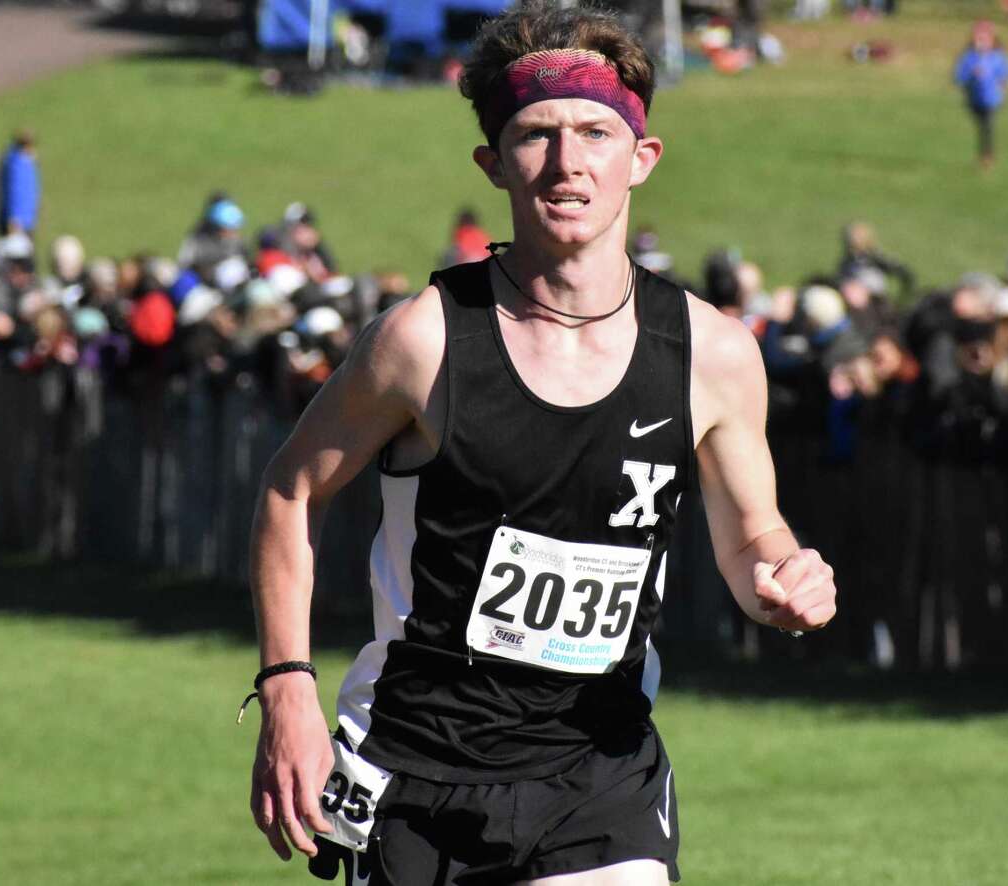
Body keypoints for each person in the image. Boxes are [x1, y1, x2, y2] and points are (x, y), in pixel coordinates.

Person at [245, 4, 837, 885]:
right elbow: (292, 491)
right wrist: (287, 689)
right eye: (536, 134)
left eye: (596, 132)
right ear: (493, 163)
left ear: (642, 158)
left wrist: (785, 577)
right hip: (418, 769)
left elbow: (756, 534)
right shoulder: (426, 341)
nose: (568, 163)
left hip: (599, 773)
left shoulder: (711, 353)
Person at [953, 20, 1008, 170]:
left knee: (987, 126)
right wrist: (972, 76)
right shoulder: (969, 57)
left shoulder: (997, 57)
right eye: (979, 37)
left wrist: (1003, 86)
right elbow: (959, 77)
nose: (982, 41)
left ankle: (986, 156)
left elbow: (1005, 74)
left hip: (992, 99)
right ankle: (984, 155)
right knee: (981, 125)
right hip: (974, 99)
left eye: (985, 38)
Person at [0, 130, 41, 238]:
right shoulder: (18, 165)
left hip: (25, 220)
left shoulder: (23, 162)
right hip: (17, 224)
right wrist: (14, 218)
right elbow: (15, 192)